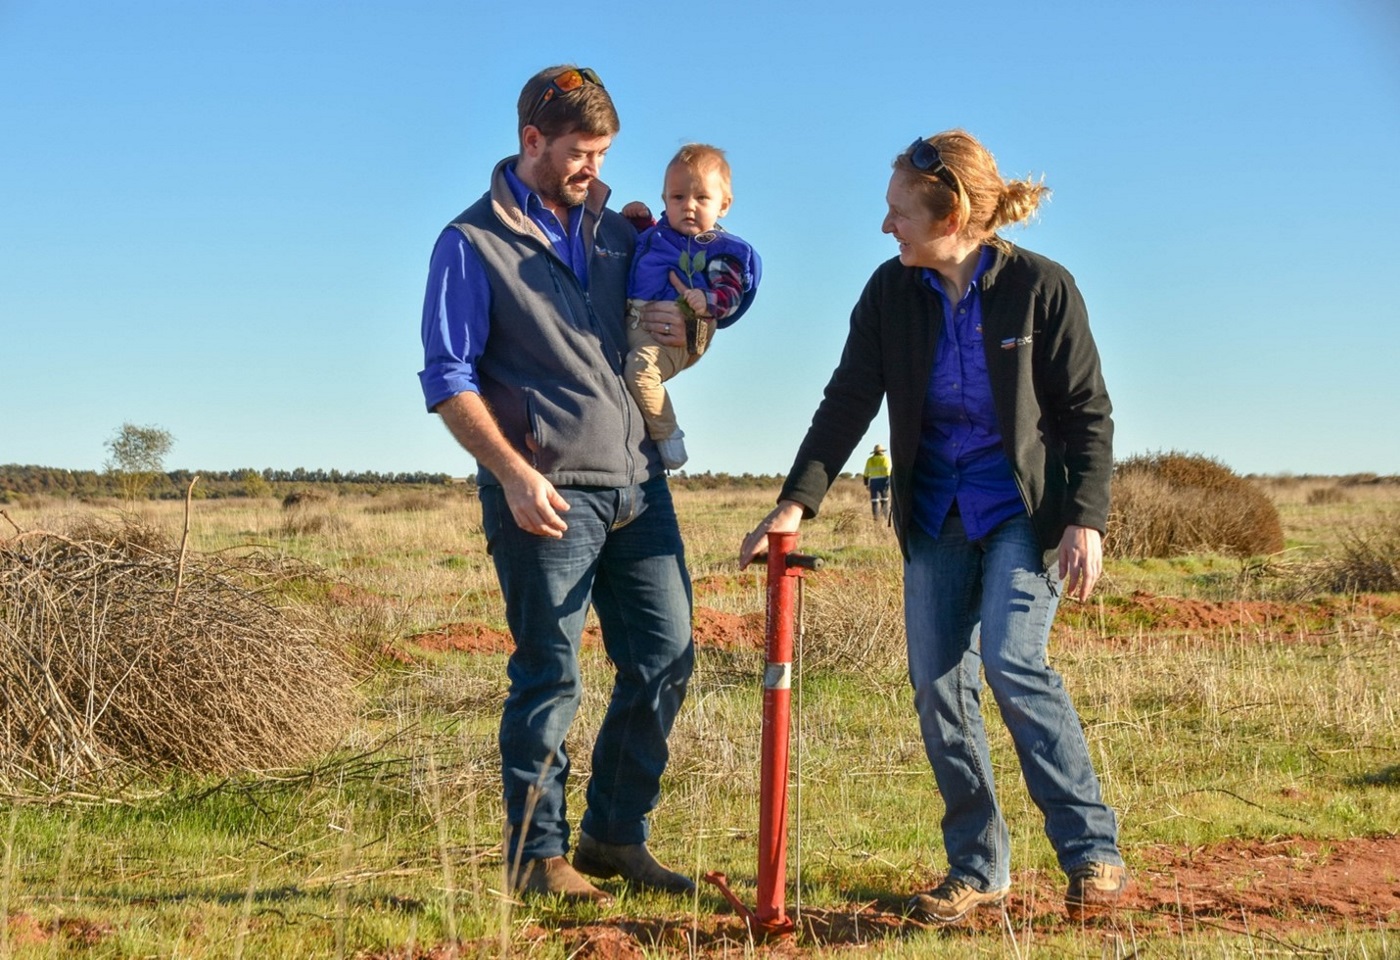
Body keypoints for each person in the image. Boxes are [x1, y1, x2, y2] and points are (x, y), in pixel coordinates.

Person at [740, 130, 1127, 923]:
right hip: (935, 512)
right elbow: (849, 398)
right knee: (939, 687)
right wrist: (796, 502)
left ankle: (1092, 853)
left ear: (950, 216)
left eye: (900, 213)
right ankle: (978, 866)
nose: (886, 226)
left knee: (1013, 662)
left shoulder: (1042, 288)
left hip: (1022, 512)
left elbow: (1087, 411)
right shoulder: (890, 293)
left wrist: (1085, 520)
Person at [418, 64, 701, 905]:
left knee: (666, 656)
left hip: (639, 485)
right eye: (580, 152)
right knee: (550, 675)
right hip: (544, 494)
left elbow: (669, 323)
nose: (593, 168)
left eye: (604, 153)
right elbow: (447, 378)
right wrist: (511, 473)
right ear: (531, 140)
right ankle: (537, 859)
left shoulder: (623, 234)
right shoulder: (470, 244)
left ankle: (614, 834)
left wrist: (688, 322)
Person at [619, 144, 761, 470]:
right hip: (633, 321)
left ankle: (668, 435)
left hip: (669, 339)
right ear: (665, 200)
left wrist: (706, 301)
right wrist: (640, 222)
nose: (689, 207)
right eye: (678, 197)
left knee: (640, 370)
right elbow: (648, 250)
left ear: (724, 205)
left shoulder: (720, 250)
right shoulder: (659, 233)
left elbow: (730, 295)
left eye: (702, 198)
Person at [863, 443, 892, 521]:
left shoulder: (869, 460)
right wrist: (888, 482)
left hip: (873, 482)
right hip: (884, 481)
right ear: (882, 451)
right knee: (885, 501)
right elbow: (888, 471)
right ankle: (885, 519)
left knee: (875, 502)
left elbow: (866, 473)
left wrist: (866, 484)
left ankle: (876, 519)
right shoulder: (886, 459)